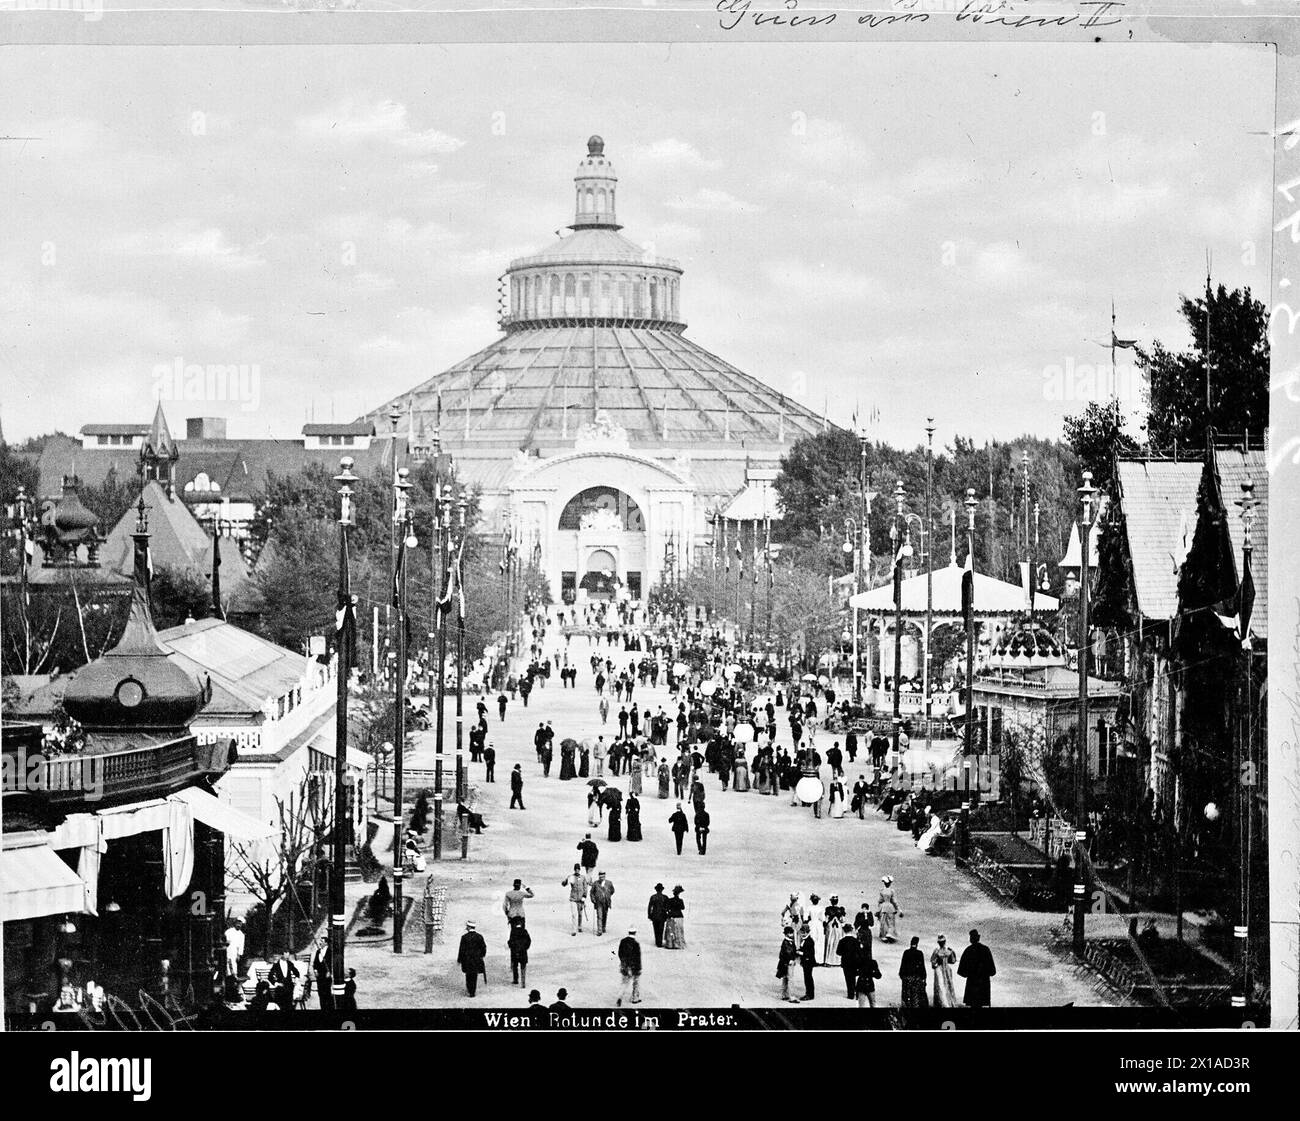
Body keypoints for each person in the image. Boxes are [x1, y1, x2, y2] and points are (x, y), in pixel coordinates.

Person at [957, 929, 996, 1007]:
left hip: (972, 985)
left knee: (973, 1007)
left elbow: (961, 971)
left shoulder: (968, 950)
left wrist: (970, 973)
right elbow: (992, 971)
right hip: (983, 985)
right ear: (978, 938)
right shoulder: (985, 949)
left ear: (971, 939)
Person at [457, 921, 488, 997]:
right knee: (474, 975)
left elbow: (461, 950)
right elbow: (484, 947)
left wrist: (459, 960)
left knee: (468, 975)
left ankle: (469, 989)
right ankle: (473, 991)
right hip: (476, 960)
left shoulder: (464, 937)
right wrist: (481, 955)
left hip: (467, 960)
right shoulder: (479, 936)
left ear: (468, 927)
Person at [899, 936, 928, 1008]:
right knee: (915, 997)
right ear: (917, 944)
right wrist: (924, 978)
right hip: (916, 979)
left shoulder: (906, 952)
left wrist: (902, 976)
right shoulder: (919, 953)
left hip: (907, 978)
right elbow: (922, 967)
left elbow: (902, 965)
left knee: (907, 997)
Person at [617, 928, 643, 1006]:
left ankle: (620, 996)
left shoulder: (623, 941)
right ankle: (635, 998)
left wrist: (623, 962)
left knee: (624, 982)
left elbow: (620, 953)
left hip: (625, 965)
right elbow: (637, 957)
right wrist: (638, 968)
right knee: (636, 982)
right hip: (634, 966)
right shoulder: (636, 944)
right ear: (635, 933)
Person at [930, 933, 958, 1008]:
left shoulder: (940, 951)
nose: (941, 943)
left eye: (941, 942)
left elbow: (933, 964)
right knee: (943, 986)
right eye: (941, 942)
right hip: (943, 970)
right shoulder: (946, 951)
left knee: (944, 985)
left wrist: (936, 965)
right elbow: (953, 961)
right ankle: (945, 1003)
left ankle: (945, 1004)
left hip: (942, 970)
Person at [562, 864, 590, 935]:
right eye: (576, 869)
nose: (577, 870)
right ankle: (574, 930)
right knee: (574, 914)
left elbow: (585, 888)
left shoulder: (582, 877)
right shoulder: (571, 877)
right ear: (574, 870)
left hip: (580, 899)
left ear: (579, 870)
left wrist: (584, 896)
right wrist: (565, 881)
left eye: (578, 869)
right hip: (573, 899)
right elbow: (564, 884)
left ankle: (579, 926)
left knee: (580, 914)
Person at [836, 925, 862, 1000]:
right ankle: (856, 992)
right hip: (854, 962)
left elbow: (838, 952)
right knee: (854, 977)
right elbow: (859, 952)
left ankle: (850, 994)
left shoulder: (842, 941)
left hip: (845, 962)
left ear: (844, 931)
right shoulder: (855, 941)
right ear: (851, 930)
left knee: (848, 978)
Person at [309, 936, 333, 1010]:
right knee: (321, 993)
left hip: (326, 975)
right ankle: (323, 1008)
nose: (320, 943)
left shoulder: (330, 952)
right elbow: (315, 963)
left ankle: (329, 1008)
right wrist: (315, 971)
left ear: (326, 943)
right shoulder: (318, 951)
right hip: (319, 976)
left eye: (322, 941)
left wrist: (329, 971)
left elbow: (332, 963)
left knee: (327, 993)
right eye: (320, 941)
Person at [777, 926, 799, 1003]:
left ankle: (784, 994)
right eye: (790, 933)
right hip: (788, 963)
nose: (792, 934)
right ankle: (791, 996)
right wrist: (791, 959)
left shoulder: (788, 941)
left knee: (785, 978)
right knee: (790, 979)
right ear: (786, 934)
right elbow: (788, 952)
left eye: (792, 933)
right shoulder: (787, 942)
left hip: (785, 963)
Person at [823, 895, 847, 966]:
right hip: (838, 927)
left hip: (830, 926)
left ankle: (828, 961)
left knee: (830, 942)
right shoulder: (841, 909)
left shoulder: (828, 909)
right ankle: (837, 961)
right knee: (837, 942)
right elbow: (843, 920)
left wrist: (824, 925)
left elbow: (826, 919)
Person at [507, 917, 531, 987]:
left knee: (515, 966)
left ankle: (515, 980)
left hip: (515, 952)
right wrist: (525, 948)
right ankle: (523, 982)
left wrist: (512, 947)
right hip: (523, 952)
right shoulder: (525, 931)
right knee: (523, 967)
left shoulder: (513, 932)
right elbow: (529, 941)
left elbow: (510, 942)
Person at [876, 875, 900, 943]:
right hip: (890, 907)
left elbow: (880, 901)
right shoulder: (892, 891)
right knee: (891, 921)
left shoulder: (882, 891)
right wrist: (898, 909)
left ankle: (884, 934)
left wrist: (878, 909)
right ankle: (890, 933)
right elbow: (894, 901)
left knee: (883, 921)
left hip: (883, 907)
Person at [647, 883, 670, 947]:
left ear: (656, 890)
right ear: (662, 890)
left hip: (654, 915)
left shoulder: (653, 897)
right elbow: (668, 907)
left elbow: (649, 907)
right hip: (662, 915)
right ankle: (659, 942)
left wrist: (649, 915)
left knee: (656, 929)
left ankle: (657, 942)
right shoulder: (665, 897)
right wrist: (667, 914)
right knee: (661, 929)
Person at [798, 924, 818, 1000]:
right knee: (807, 978)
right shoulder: (805, 940)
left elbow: (809, 953)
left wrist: (800, 953)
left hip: (808, 962)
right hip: (805, 962)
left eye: (805, 932)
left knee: (808, 978)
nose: (803, 934)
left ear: (808, 932)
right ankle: (808, 993)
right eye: (802, 932)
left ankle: (810, 994)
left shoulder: (809, 941)